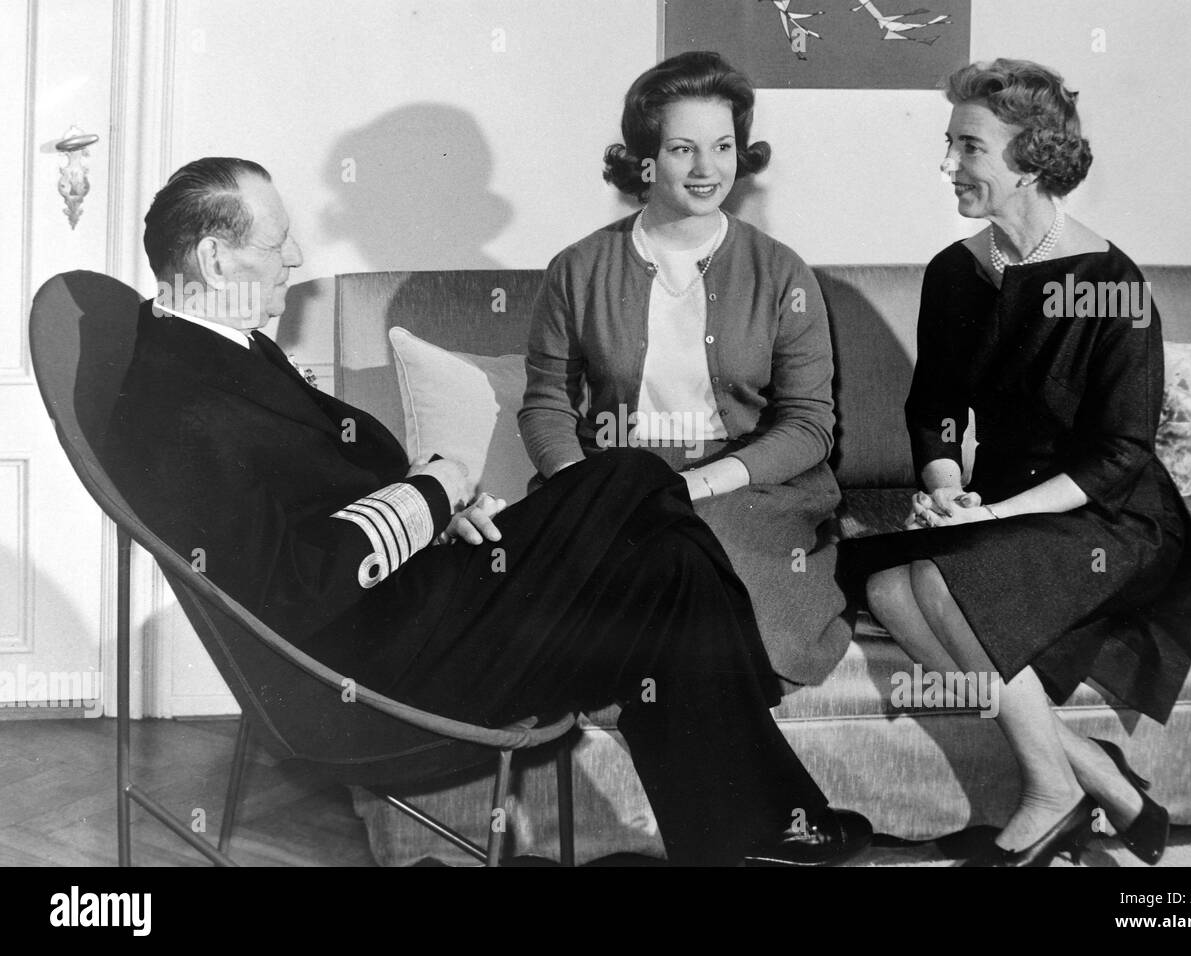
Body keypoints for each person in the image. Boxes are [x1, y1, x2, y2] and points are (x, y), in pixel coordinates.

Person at [102, 157, 871, 867]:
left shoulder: (220, 350)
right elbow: (294, 587)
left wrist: (434, 516)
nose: (296, 258)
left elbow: (321, 504)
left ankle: (744, 840)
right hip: (377, 669)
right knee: (629, 475)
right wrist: (435, 491)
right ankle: (756, 753)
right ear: (214, 261)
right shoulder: (180, 405)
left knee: (665, 565)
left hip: (414, 606)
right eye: (276, 245)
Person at [838, 60, 1191, 866]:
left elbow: (1121, 455)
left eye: (969, 147)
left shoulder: (1110, 284)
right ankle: (1090, 766)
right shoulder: (956, 273)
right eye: (950, 144)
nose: (948, 164)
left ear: (1029, 160)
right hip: (1001, 505)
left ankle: (1051, 793)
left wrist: (994, 514)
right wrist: (948, 487)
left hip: (1109, 517)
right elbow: (934, 407)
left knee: (939, 580)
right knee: (885, 587)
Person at [520, 51, 850, 689]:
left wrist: (696, 486)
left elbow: (810, 424)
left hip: (744, 487)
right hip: (615, 473)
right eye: (682, 149)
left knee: (696, 570)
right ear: (644, 160)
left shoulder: (782, 272)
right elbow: (547, 403)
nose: (708, 169)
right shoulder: (577, 269)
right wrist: (585, 490)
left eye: (723, 146)